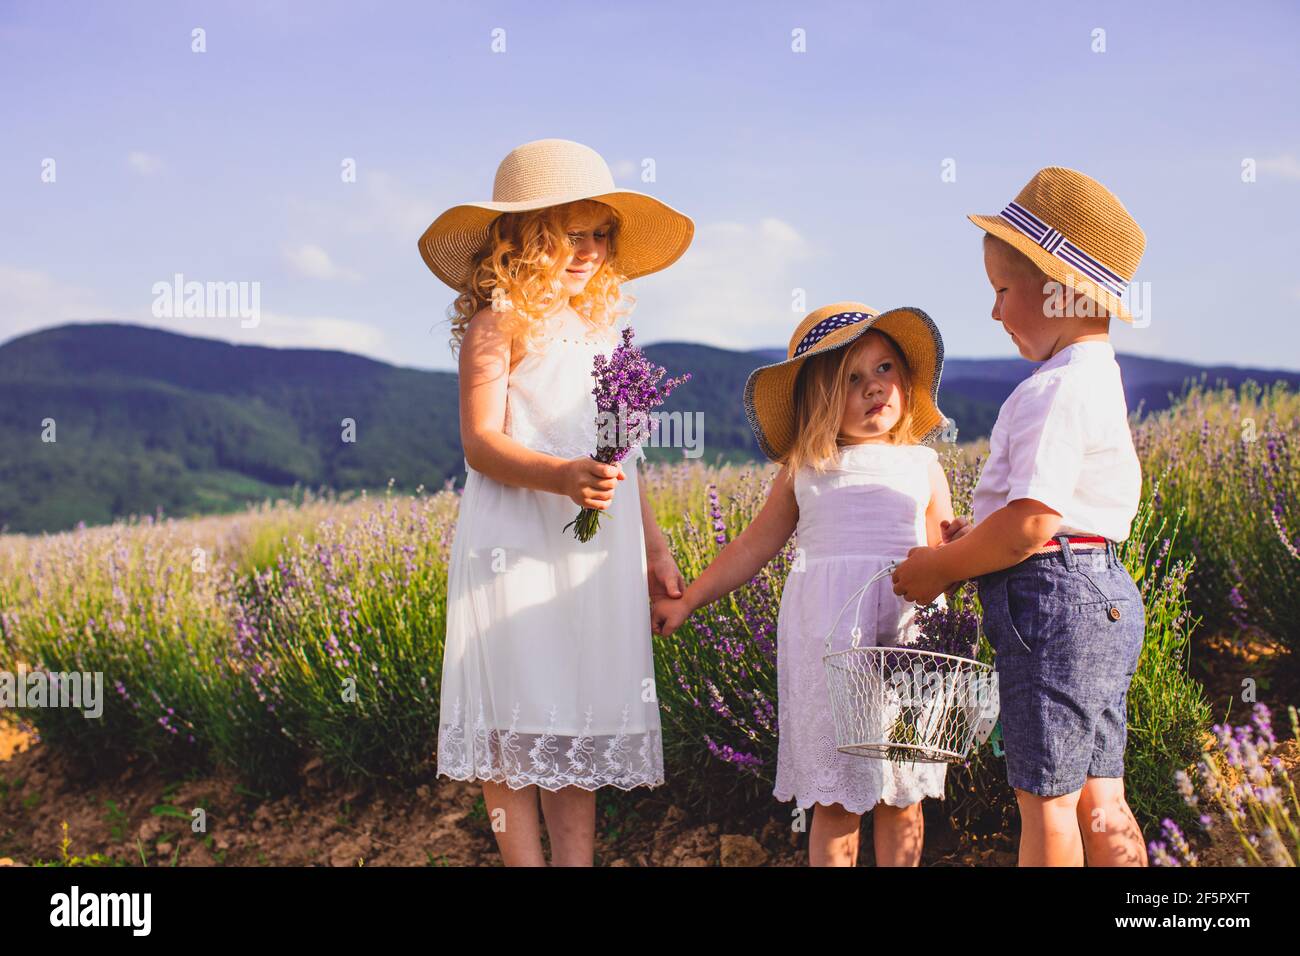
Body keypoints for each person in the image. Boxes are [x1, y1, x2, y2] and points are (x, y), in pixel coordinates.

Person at [420, 138, 694, 866]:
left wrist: (656, 551)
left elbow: (626, 460)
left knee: (574, 714)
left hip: (594, 553)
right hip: (514, 541)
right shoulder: (497, 324)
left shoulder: (608, 337)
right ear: (523, 238)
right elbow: (480, 443)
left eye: (601, 234)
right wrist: (562, 477)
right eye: (571, 233)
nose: (590, 249)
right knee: (514, 715)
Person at [891, 166, 1149, 866]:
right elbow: (1054, 511)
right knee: (1101, 793)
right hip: (1105, 593)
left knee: (1047, 802)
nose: (996, 313)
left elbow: (1034, 523)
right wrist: (979, 537)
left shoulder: (1053, 391)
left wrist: (941, 565)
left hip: (1052, 604)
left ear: (1060, 291)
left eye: (1003, 291)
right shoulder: (1102, 378)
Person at [654, 302, 955, 866]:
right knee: (837, 798)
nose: (874, 388)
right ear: (820, 398)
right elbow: (751, 546)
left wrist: (970, 554)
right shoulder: (807, 468)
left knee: (903, 792)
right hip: (830, 640)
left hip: (907, 640)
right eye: (852, 379)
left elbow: (945, 552)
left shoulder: (921, 463)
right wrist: (689, 599)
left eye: (885, 369)